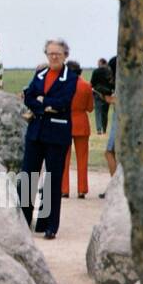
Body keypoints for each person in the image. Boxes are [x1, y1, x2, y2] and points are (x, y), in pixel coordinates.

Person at [18, 38, 78, 239]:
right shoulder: (40, 74)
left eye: (57, 54)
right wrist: (44, 105)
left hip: (57, 135)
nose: (53, 57)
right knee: (28, 178)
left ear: (65, 56)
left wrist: (42, 102)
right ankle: (24, 222)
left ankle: (48, 225)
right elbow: (28, 96)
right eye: (50, 53)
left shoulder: (71, 77)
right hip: (36, 133)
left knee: (51, 181)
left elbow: (63, 101)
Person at [61, 59, 94, 199]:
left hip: (66, 122)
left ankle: (64, 189)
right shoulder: (86, 86)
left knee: (64, 159)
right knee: (82, 158)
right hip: (81, 123)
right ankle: (82, 189)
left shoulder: (62, 86)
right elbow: (90, 108)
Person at [90, 57, 114, 134]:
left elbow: (92, 82)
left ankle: (99, 129)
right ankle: (104, 129)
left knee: (98, 111)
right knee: (105, 112)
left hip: (97, 93)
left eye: (98, 63)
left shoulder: (96, 71)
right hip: (108, 94)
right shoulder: (110, 71)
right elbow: (113, 83)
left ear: (101, 63)